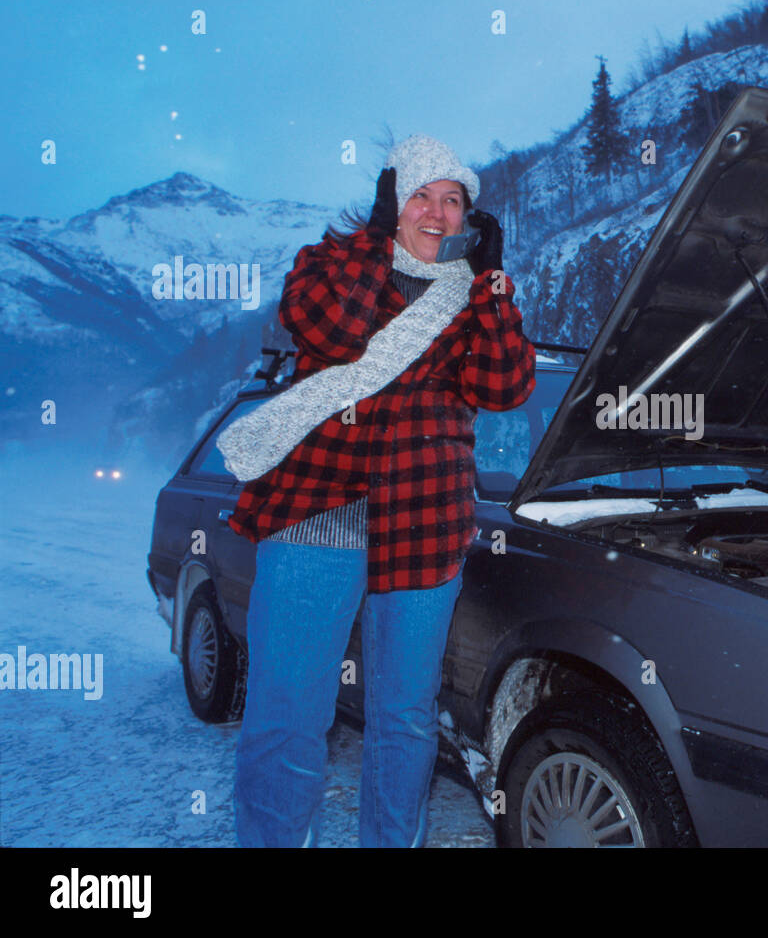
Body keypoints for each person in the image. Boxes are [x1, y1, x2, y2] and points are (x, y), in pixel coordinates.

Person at [215, 135, 536, 847]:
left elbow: (504, 385)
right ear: (392, 203)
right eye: (420, 194)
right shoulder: (330, 264)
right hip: (314, 511)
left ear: (468, 220)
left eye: (453, 201)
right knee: (287, 712)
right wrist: (373, 243)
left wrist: (492, 288)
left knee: (405, 719)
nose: (437, 211)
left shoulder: (472, 296)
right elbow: (332, 328)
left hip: (424, 521)